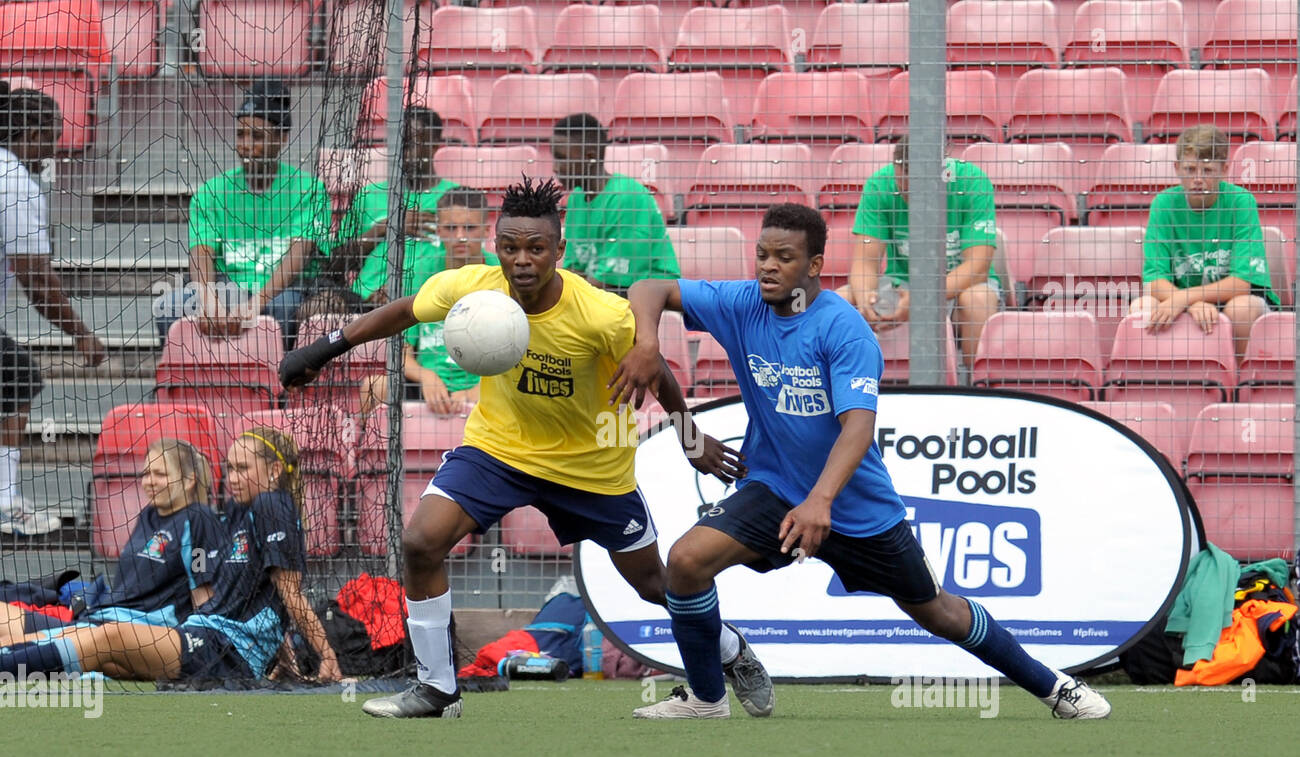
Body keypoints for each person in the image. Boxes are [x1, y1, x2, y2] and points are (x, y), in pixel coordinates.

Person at [281, 176, 768, 719]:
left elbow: (658, 375)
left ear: (558, 250)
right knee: (421, 541)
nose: (522, 260)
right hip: (500, 451)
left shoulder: (602, 315)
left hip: (591, 470)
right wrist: (324, 349)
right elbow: (404, 310)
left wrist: (690, 436)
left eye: (536, 248)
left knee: (656, 586)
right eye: (510, 246)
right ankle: (437, 689)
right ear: (497, 246)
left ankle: (730, 649)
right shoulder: (475, 288)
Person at [613, 203, 1111, 720]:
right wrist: (650, 347)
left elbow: (858, 427)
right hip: (773, 489)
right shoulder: (741, 304)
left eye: (784, 257)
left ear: (814, 266)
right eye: (762, 254)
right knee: (686, 563)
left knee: (938, 613)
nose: (767, 266)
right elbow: (650, 289)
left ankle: (1055, 687)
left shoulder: (844, 330)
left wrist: (820, 502)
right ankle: (707, 697)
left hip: (856, 511)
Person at [0, 427, 342, 683]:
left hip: (220, 647)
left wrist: (327, 658)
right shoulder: (241, 511)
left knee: (104, 638)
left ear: (274, 471)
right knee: (92, 643)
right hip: (204, 634)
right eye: (231, 468)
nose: (232, 477)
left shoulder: (261, 507)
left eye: (243, 468)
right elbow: (263, 597)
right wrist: (283, 657)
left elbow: (288, 594)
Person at [0, 81, 108, 536]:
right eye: (52, 132)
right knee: (18, 379)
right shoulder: (15, 182)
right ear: (29, 132)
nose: (59, 143)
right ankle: (5, 503)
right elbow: (38, 282)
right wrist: (82, 333)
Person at [154, 80, 332, 346]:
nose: (246, 145)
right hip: (231, 288)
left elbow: (300, 252)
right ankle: (193, 386)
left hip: (286, 289)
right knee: (169, 306)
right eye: (240, 135)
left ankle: (279, 385)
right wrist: (209, 300)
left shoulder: (309, 190)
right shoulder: (211, 193)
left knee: (284, 308)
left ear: (282, 138)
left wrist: (257, 303)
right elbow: (201, 251)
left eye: (257, 136)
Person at [0, 438, 225, 640]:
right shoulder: (149, 514)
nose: (149, 481)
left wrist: (199, 646)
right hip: (103, 617)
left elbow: (202, 590)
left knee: (12, 635)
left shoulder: (198, 520)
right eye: (146, 473)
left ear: (189, 481)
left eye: (161, 474)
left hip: (136, 633)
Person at [845, 135, 1004, 368]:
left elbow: (978, 268)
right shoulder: (879, 185)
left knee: (977, 300)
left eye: (921, 193)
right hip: (901, 283)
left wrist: (921, 300)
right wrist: (865, 299)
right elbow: (865, 262)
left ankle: (975, 388)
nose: (912, 200)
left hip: (963, 286)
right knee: (843, 300)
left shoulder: (973, 182)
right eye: (904, 190)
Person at [1129, 124, 1274, 364]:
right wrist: (1192, 303)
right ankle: (1159, 379)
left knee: (1241, 307)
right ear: (1177, 168)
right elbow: (1154, 281)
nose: (1197, 179)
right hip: (1178, 298)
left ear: (1224, 170)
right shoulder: (1163, 204)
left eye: (1207, 170)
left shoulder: (1241, 201)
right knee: (1142, 306)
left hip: (1230, 302)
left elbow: (1241, 284)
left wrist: (1185, 300)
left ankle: (1235, 384)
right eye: (1190, 169)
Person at [358, 187, 498, 416]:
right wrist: (427, 377)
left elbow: (520, 353)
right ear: (440, 231)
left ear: (485, 230)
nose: (461, 236)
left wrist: (482, 387)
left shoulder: (502, 274)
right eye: (451, 228)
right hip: (430, 386)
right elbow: (401, 352)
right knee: (374, 388)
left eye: (470, 228)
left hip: (487, 385)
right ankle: (364, 452)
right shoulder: (419, 272)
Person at [333, 107, 461, 306]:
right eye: (398, 143)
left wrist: (402, 289)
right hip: (366, 299)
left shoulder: (456, 199)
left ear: (434, 146)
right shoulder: (369, 195)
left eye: (412, 143)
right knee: (317, 306)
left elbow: (466, 261)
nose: (402, 151)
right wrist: (387, 227)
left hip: (428, 301)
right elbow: (338, 261)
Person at [551, 112, 680, 293]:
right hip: (600, 295)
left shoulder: (627, 197)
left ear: (589, 157)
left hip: (647, 297)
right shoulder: (576, 199)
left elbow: (614, 278)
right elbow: (574, 270)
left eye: (561, 158)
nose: (555, 167)